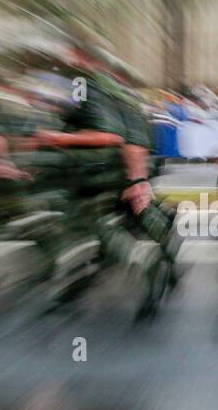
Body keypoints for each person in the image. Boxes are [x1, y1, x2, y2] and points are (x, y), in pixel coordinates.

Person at [32, 48, 179, 319]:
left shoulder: (86, 84)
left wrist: (57, 138)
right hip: (121, 169)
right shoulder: (122, 93)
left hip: (96, 172)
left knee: (90, 225)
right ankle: (163, 248)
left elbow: (110, 135)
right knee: (116, 221)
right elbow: (137, 138)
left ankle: (141, 260)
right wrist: (138, 177)